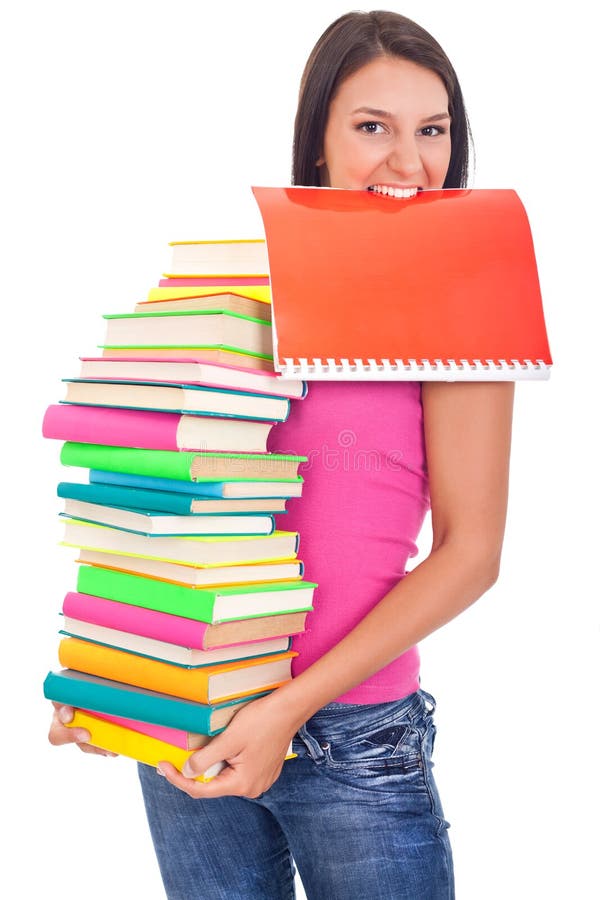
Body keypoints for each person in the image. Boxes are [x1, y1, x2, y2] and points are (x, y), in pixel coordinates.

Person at [49, 10, 514, 899]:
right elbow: (157, 493)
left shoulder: (466, 314)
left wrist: (287, 713)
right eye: (373, 127)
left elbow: (472, 553)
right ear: (318, 144)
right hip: (189, 713)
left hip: (355, 741)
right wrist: (106, 672)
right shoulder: (235, 286)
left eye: (433, 130)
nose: (410, 162)